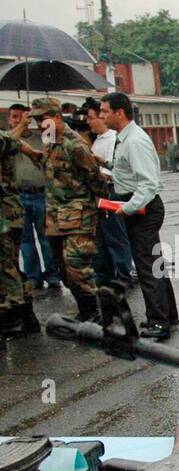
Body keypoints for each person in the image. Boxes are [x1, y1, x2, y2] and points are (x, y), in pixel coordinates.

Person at [100, 91, 179, 340]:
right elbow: (131, 174)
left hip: (143, 208)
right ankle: (168, 315)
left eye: (104, 112)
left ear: (119, 113)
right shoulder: (125, 139)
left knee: (146, 266)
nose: (102, 116)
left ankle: (158, 321)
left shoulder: (134, 140)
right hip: (139, 205)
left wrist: (127, 207)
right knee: (153, 263)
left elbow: (147, 183)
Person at [30, 98, 106, 323]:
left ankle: (96, 313)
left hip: (78, 215)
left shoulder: (75, 144)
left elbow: (95, 179)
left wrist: (97, 206)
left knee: (77, 267)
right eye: (36, 120)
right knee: (62, 268)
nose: (39, 125)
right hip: (54, 216)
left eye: (42, 119)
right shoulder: (49, 141)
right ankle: (84, 309)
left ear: (56, 117)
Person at [1, 115, 49, 342]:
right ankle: (25, 317)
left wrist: (30, 151)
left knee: (6, 266)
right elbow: (13, 141)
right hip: (9, 214)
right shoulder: (5, 139)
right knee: (9, 266)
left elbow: (11, 140)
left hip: (5, 216)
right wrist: (31, 152)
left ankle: (15, 317)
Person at [9, 103, 61, 292]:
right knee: (26, 241)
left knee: (46, 237)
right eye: (14, 117)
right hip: (18, 196)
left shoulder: (41, 138)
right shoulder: (8, 140)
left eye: (22, 116)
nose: (18, 120)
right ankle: (34, 277)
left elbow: (54, 147)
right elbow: (10, 140)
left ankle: (53, 275)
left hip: (41, 194)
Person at [84, 98, 135, 288]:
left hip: (111, 191)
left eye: (92, 117)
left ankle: (124, 273)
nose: (89, 122)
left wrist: (103, 172)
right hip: (98, 193)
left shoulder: (114, 138)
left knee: (116, 235)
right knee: (102, 237)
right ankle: (106, 274)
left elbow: (121, 169)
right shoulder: (95, 141)